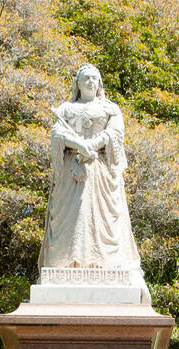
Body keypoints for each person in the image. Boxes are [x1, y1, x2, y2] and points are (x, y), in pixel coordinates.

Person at [38, 64, 150, 304]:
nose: (90, 82)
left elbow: (115, 133)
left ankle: (105, 262)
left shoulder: (110, 108)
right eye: (86, 78)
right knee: (73, 216)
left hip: (100, 170)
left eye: (94, 78)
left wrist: (94, 143)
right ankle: (69, 262)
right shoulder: (66, 109)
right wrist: (78, 144)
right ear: (77, 83)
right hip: (72, 172)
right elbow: (57, 134)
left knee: (101, 217)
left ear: (100, 84)